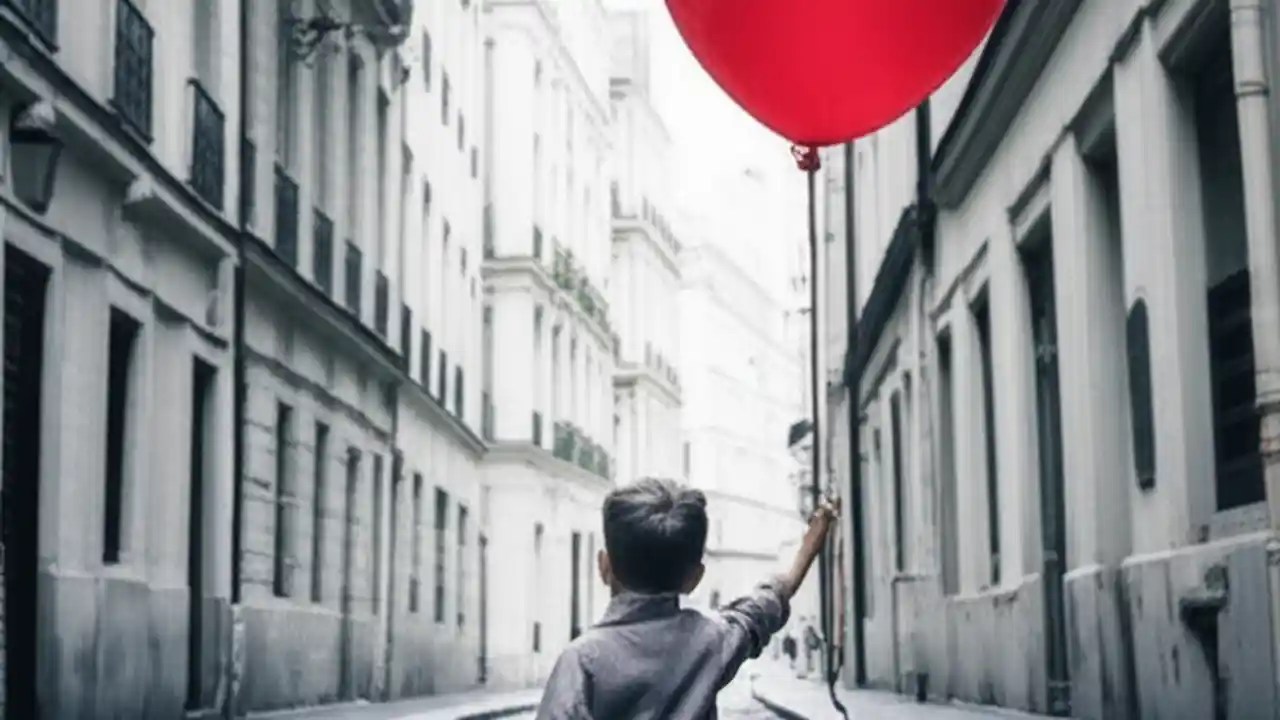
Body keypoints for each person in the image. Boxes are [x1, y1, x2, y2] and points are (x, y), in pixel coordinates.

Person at [536, 478, 838, 719]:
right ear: (694, 578)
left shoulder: (581, 661)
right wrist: (811, 542)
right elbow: (769, 601)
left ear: (604, 566)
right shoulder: (713, 640)